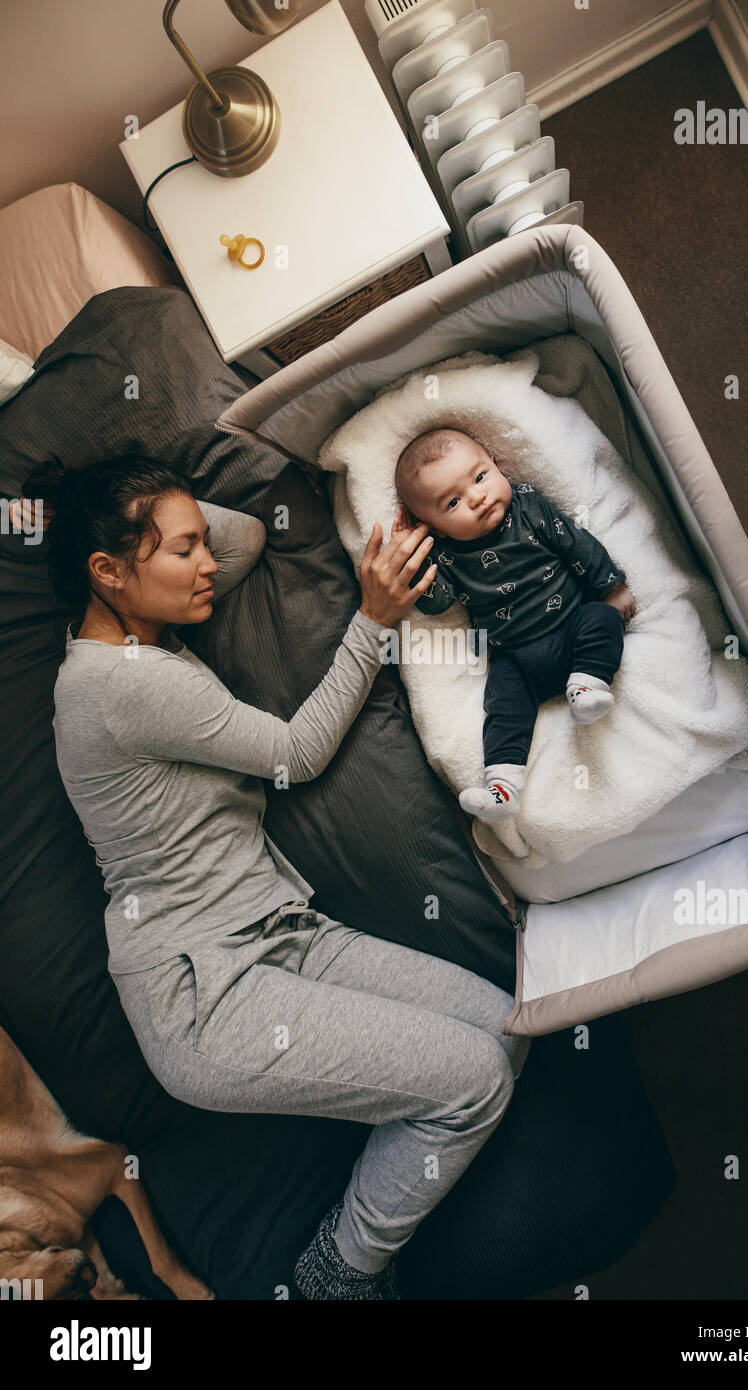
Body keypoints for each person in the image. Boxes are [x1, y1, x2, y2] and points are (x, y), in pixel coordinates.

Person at [23, 454, 532, 1301]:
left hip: (281, 935)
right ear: (106, 571)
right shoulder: (119, 687)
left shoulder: (132, 641)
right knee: (476, 1079)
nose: (207, 564)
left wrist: (154, 512)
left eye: (198, 542)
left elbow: (248, 539)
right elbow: (296, 754)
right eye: (182, 550)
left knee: (507, 1030)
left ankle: (400, 1148)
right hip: (206, 995)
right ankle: (339, 1271)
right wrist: (372, 619)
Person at [395, 426, 637, 823]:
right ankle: (503, 787)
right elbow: (435, 603)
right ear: (433, 527)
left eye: (479, 477)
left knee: (603, 617)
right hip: (515, 658)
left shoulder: (527, 507)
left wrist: (611, 585)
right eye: (453, 502)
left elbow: (576, 543)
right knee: (501, 705)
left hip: (571, 625)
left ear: (496, 464)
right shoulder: (447, 556)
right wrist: (415, 557)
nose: (477, 497)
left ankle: (588, 684)